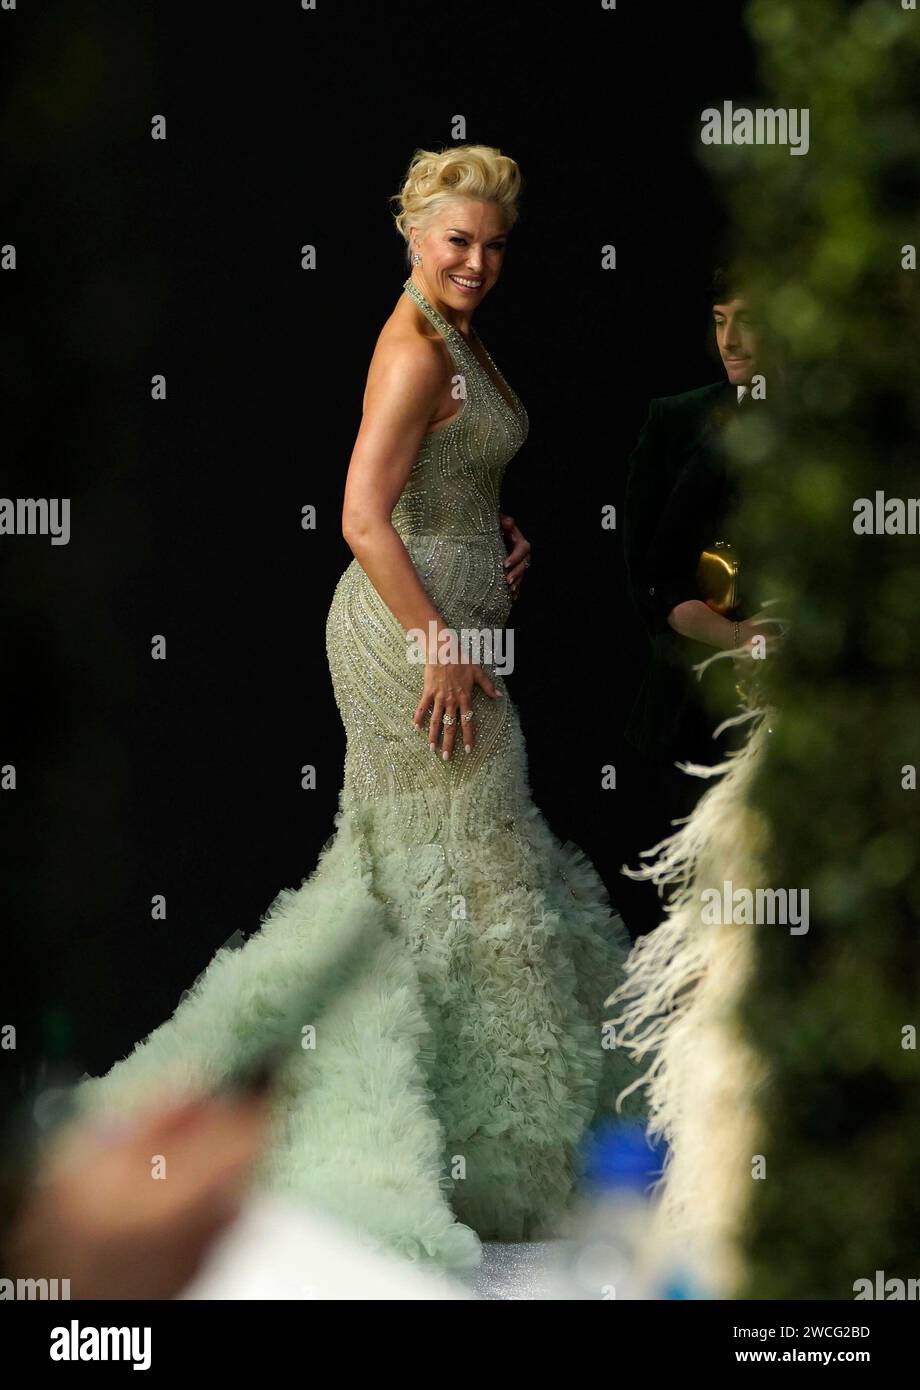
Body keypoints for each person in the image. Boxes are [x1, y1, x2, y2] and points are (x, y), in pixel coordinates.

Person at [71, 145, 640, 1271]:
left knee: (451, 866)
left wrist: (490, 535)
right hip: (405, 649)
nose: (476, 261)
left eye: (491, 244)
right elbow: (359, 516)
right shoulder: (410, 349)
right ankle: (423, 1144)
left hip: (454, 626)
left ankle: (476, 1137)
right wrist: (435, 641)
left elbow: (441, 484)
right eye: (455, 241)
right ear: (413, 237)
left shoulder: (456, 334)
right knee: (460, 865)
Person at [623, 266, 777, 836]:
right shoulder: (677, 420)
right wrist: (738, 637)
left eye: (749, 322)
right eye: (719, 322)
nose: (729, 341)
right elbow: (649, 578)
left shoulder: (831, 429)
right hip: (693, 713)